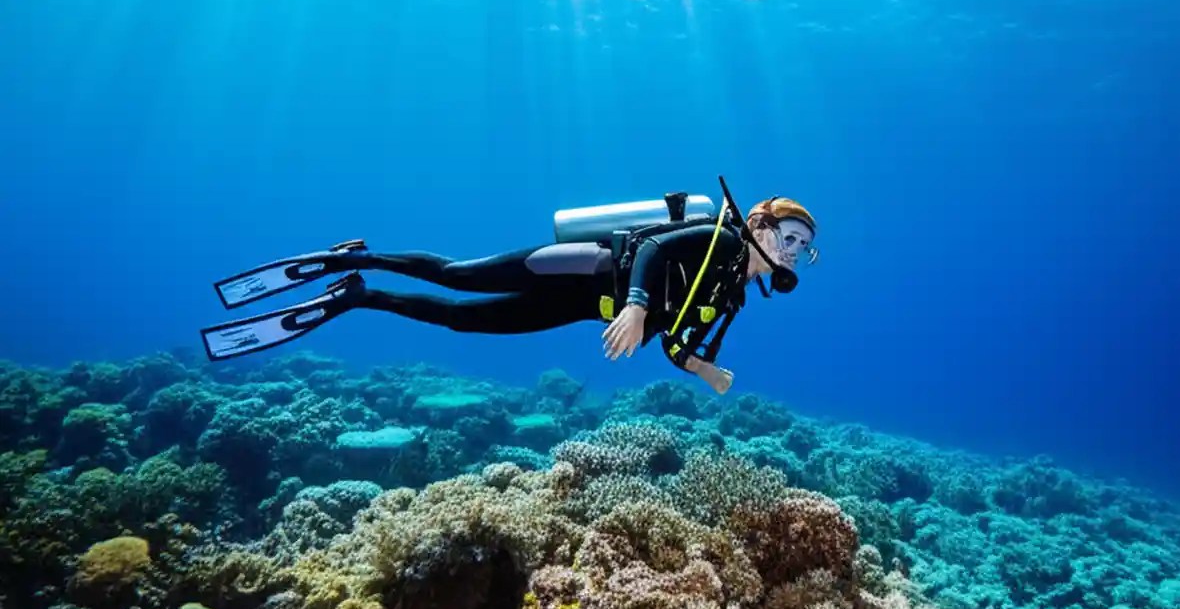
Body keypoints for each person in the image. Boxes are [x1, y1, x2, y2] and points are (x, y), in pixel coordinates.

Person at [199, 177, 818, 394]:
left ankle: (360, 295)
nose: (792, 252)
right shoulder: (724, 239)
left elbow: (679, 340)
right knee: (459, 274)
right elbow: (654, 247)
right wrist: (633, 306)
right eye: (787, 235)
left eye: (803, 247)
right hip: (582, 265)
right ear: (760, 223)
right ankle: (356, 258)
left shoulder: (732, 293)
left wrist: (703, 371)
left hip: (579, 306)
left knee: (462, 320)